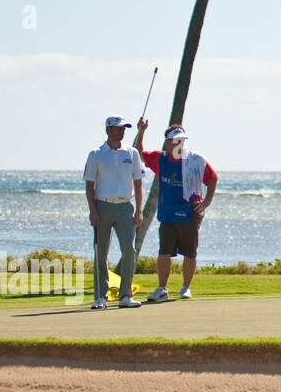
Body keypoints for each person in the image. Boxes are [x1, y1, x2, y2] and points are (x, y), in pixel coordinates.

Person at [133, 119, 218, 301]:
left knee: (190, 252)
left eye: (182, 140)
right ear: (168, 142)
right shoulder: (160, 158)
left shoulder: (195, 159)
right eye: (175, 140)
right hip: (168, 212)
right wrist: (141, 131)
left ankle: (186, 287)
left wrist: (206, 202)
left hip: (190, 210)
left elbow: (212, 178)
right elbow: (139, 152)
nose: (179, 143)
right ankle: (162, 288)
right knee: (164, 251)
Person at [83, 115, 145, 309]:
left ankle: (125, 295)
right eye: (118, 128)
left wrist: (139, 210)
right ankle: (100, 297)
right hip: (102, 206)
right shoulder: (96, 154)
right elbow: (89, 186)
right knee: (101, 252)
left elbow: (138, 183)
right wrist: (93, 210)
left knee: (129, 249)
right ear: (108, 129)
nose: (122, 131)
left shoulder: (132, 153)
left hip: (125, 207)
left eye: (124, 128)